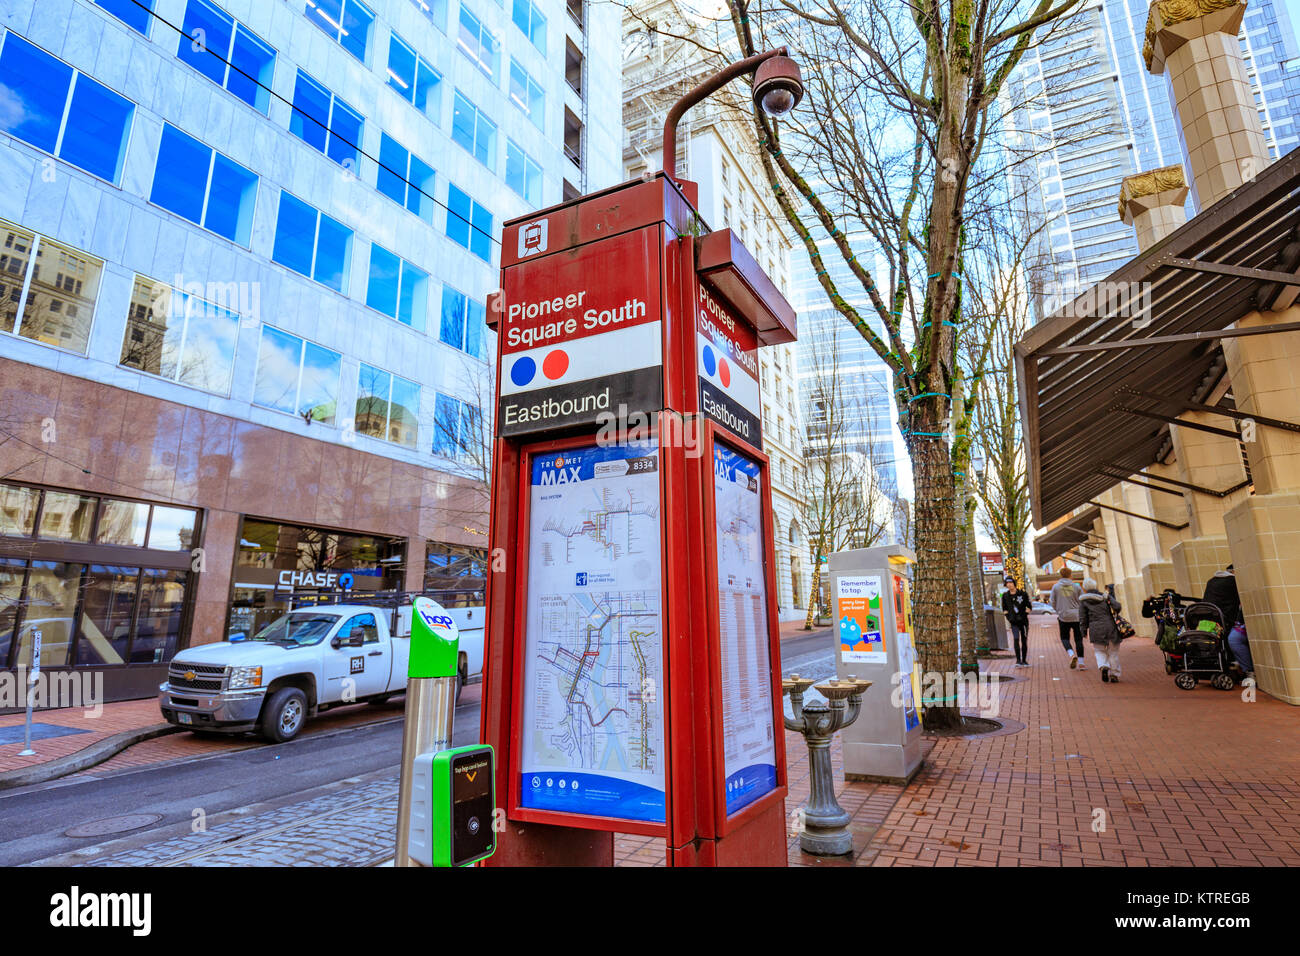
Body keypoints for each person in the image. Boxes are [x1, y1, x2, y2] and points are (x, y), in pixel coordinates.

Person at [1078, 577, 1124, 682]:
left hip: (1095, 629)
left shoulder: (1083, 601)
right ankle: (1114, 674)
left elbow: (1082, 618)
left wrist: (1083, 630)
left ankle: (1103, 666)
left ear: (1084, 588)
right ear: (1095, 586)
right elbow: (1117, 606)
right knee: (1113, 652)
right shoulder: (1105, 596)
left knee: (1099, 651)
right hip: (1110, 626)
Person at [1049, 567, 1087, 669]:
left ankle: (1071, 654)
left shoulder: (1056, 587)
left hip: (1063, 617)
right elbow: (1083, 600)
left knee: (1064, 638)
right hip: (1076, 616)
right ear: (1070, 575)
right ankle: (1082, 663)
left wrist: (1058, 610)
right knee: (1078, 639)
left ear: (1061, 575)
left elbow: (1052, 601)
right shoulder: (1077, 587)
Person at [1203, 565, 1242, 636]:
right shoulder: (1233, 581)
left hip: (1207, 621)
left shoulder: (1211, 581)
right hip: (1224, 621)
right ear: (1234, 572)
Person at [1001, 575, 1032, 666]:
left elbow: (1029, 607)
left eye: (1011, 583)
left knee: (1024, 640)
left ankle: (1024, 660)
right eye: (1007, 583)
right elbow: (1004, 609)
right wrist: (1008, 618)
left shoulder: (1022, 594)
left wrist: (1024, 615)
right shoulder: (1005, 596)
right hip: (1013, 622)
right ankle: (1018, 660)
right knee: (1016, 639)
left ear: (1014, 583)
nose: (1009, 585)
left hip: (1023, 622)